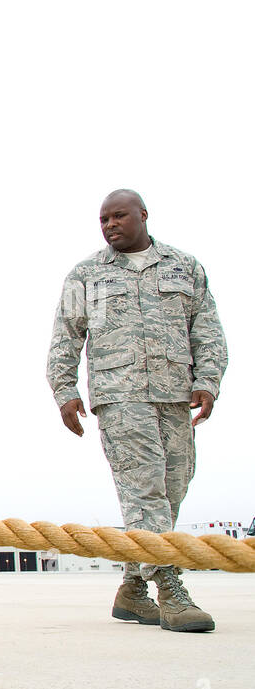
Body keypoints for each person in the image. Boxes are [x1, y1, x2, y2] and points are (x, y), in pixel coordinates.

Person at [47, 189, 228, 632]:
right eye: (103, 219)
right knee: (144, 491)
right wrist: (64, 390)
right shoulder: (87, 274)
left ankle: (131, 589)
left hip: (175, 395)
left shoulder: (184, 267)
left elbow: (207, 329)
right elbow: (66, 335)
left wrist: (208, 382)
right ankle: (170, 589)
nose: (110, 225)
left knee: (172, 488)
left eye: (119, 216)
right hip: (120, 396)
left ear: (143, 215)